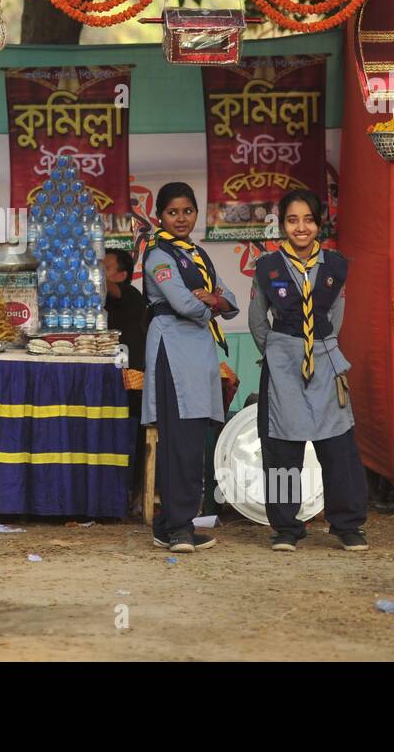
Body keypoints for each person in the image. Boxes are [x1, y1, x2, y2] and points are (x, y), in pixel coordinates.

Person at [248, 189, 368, 552]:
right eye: (292, 220)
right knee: (282, 445)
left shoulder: (335, 266)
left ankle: (347, 524)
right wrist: (277, 352)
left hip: (326, 356)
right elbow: (257, 321)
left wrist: (319, 346)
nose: (301, 227)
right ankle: (286, 527)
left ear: (319, 224)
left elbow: (335, 318)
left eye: (308, 219)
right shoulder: (268, 267)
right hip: (283, 359)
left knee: (337, 444)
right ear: (282, 224)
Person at [142, 182, 238, 553]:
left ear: (196, 213)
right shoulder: (159, 255)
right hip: (174, 347)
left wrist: (213, 298)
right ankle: (180, 527)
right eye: (172, 212)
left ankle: (169, 525)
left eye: (187, 211)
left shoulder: (197, 255)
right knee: (180, 440)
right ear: (159, 216)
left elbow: (230, 299)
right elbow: (184, 305)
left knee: (193, 438)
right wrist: (212, 303)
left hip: (198, 349)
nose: (180, 218)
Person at [104, 248, 147, 511]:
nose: (97, 271)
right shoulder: (99, 300)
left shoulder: (130, 294)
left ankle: (134, 494)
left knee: (135, 443)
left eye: (104, 267)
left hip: (134, 385)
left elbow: (115, 291)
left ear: (121, 274)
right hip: (110, 381)